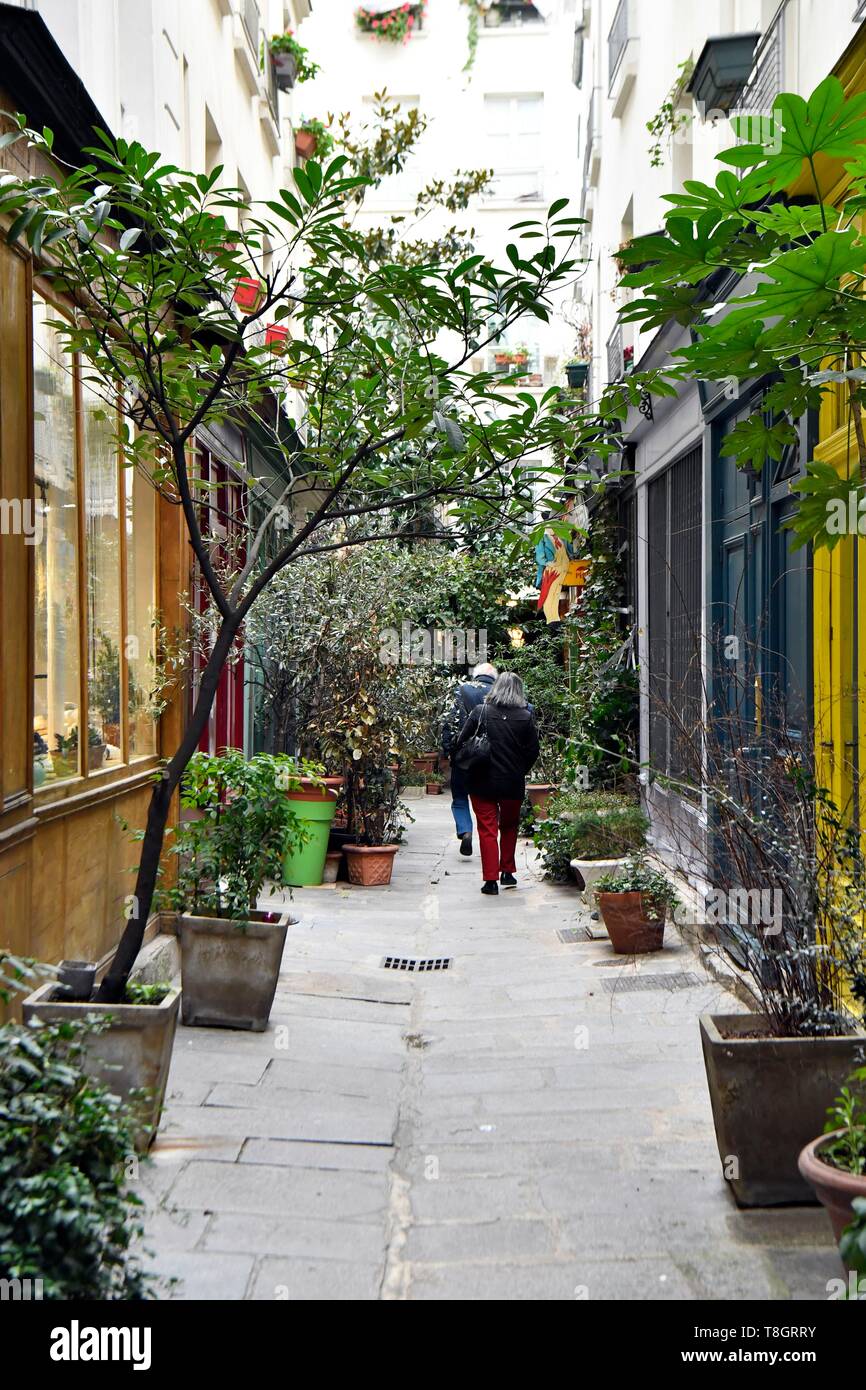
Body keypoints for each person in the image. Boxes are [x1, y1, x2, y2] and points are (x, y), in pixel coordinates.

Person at [452, 671, 539, 896]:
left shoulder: (480, 712)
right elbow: (532, 752)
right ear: (519, 690)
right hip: (512, 782)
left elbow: (461, 742)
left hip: (481, 781)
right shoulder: (526, 716)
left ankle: (490, 880)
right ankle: (508, 872)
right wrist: (520, 770)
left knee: (487, 829)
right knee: (509, 826)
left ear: (495, 688)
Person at [441, 661, 498, 856]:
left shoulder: (462, 690)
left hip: (464, 756)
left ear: (476, 676)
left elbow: (450, 721)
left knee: (459, 796)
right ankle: (488, 837)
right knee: (487, 801)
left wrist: (448, 749)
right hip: (490, 758)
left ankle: (465, 830)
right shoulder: (499, 694)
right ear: (494, 678)